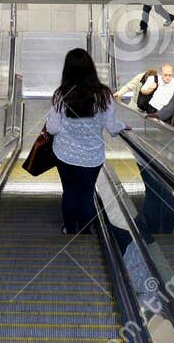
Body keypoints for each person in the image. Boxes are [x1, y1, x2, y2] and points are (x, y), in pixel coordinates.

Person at [43, 47, 130, 234]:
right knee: (86, 193)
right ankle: (85, 230)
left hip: (65, 155)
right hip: (92, 157)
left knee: (69, 192)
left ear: (67, 70)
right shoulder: (104, 95)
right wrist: (124, 126)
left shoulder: (61, 94)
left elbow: (52, 128)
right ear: (91, 68)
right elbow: (113, 127)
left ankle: (70, 229)